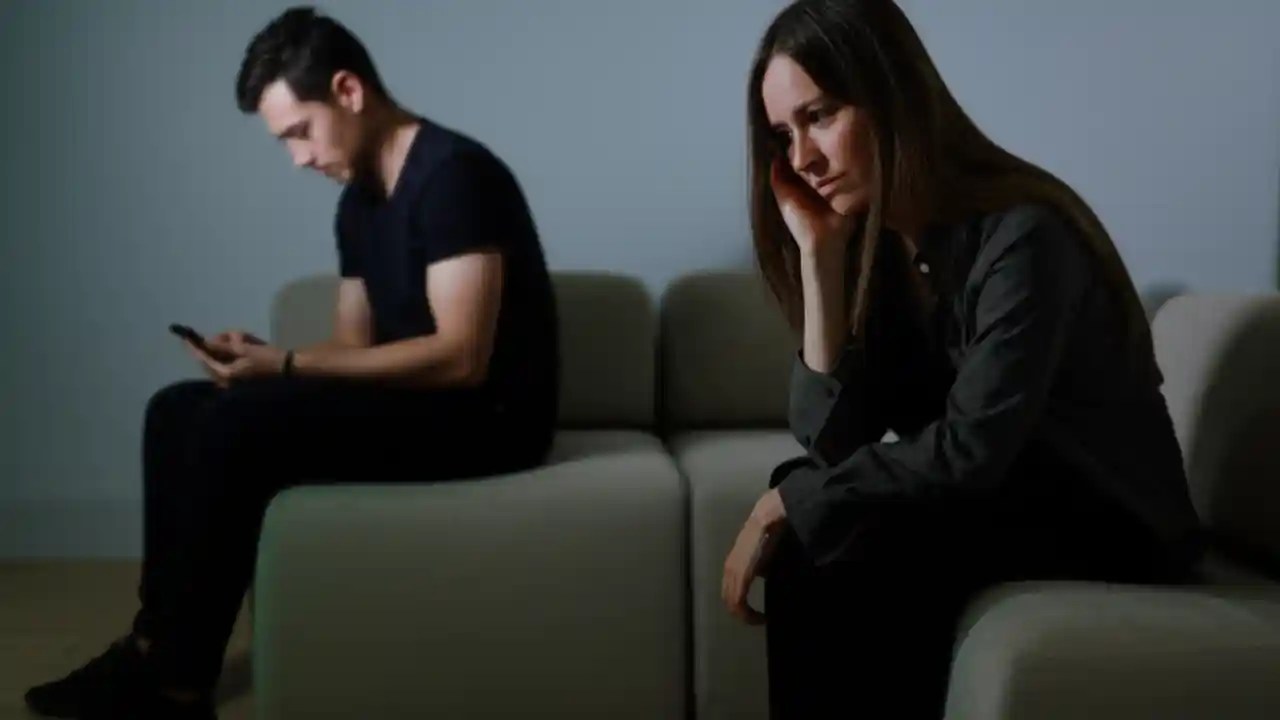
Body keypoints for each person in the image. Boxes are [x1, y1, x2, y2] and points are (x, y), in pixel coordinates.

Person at [25, 6, 559, 719]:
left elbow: (462, 358)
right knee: (175, 410)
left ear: (347, 91)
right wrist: (267, 357)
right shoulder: (358, 205)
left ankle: (174, 683)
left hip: (489, 421)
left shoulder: (456, 175)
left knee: (238, 425)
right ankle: (154, 647)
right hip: (416, 405)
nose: (299, 158)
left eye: (299, 133)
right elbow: (353, 346)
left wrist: (280, 374)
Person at [719, 0, 1203, 717]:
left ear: (891, 96)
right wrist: (820, 262)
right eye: (783, 135)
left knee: (827, 522)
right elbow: (829, 441)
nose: (801, 160)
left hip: (1107, 517)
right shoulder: (885, 248)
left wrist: (789, 504)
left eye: (819, 117)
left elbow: (972, 448)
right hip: (1007, 494)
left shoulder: (1025, 236)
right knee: (812, 502)